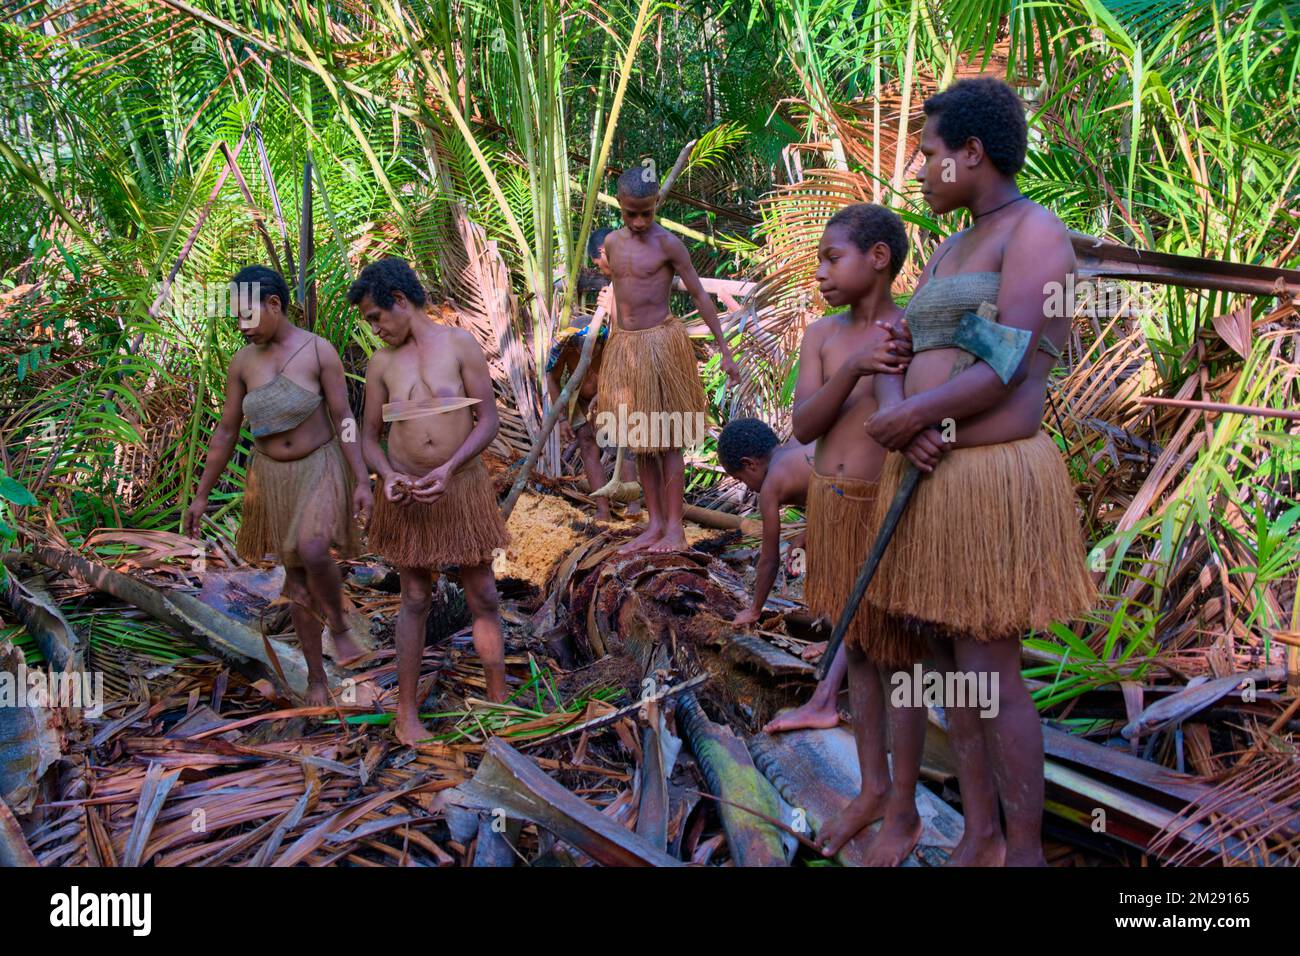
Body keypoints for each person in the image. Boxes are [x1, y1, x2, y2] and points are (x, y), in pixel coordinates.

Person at [863, 77, 1097, 866]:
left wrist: (922, 419)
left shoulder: (1034, 233)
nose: (920, 171)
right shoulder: (949, 247)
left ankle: (1023, 849)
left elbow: (1012, 363)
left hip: (991, 475)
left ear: (972, 152)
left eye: (930, 155)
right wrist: (900, 412)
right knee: (944, 662)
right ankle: (979, 834)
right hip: (933, 473)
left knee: (992, 668)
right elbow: (894, 348)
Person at [185, 265, 372, 707]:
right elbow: (227, 432)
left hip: (320, 465)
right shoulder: (242, 363)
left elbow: (345, 418)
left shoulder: (318, 351)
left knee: (311, 549)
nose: (240, 325)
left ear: (274, 304)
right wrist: (201, 494)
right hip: (272, 476)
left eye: (247, 315)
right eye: (235, 317)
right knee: (297, 581)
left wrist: (361, 476)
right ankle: (317, 681)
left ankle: (341, 629)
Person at [352, 257, 510, 746]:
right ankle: (406, 713)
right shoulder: (381, 364)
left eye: (377, 316)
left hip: (459, 487)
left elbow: (488, 421)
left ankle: (499, 702)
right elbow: (369, 437)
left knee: (482, 593)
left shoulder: (459, 345)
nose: (374, 328)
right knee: (415, 598)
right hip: (407, 494)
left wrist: (448, 467)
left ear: (400, 300)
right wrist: (388, 475)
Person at [600, 166, 740, 552]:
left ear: (657, 204)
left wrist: (725, 351)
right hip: (628, 349)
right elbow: (617, 301)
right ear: (620, 205)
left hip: (662, 346)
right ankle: (655, 523)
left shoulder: (668, 244)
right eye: (632, 213)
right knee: (642, 443)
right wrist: (610, 359)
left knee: (671, 439)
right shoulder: (611, 244)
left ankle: (676, 527)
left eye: (647, 212)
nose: (640, 221)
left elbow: (698, 295)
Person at [544, 227, 637, 520]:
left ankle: (634, 506)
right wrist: (561, 417)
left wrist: (602, 394)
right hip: (578, 401)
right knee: (587, 444)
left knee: (624, 443)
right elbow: (551, 378)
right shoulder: (563, 347)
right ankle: (602, 510)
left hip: (611, 391)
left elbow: (621, 359)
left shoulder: (610, 336)